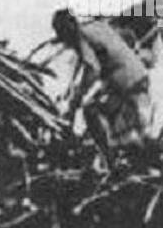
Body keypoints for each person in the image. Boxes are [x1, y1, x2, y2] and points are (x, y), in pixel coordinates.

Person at [52, 9, 153, 152]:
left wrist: (78, 97)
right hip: (138, 76)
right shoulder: (97, 26)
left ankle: (110, 161)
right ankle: (148, 155)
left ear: (69, 28)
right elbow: (87, 61)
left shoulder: (81, 35)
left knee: (90, 111)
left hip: (125, 83)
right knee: (128, 127)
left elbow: (93, 70)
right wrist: (72, 89)